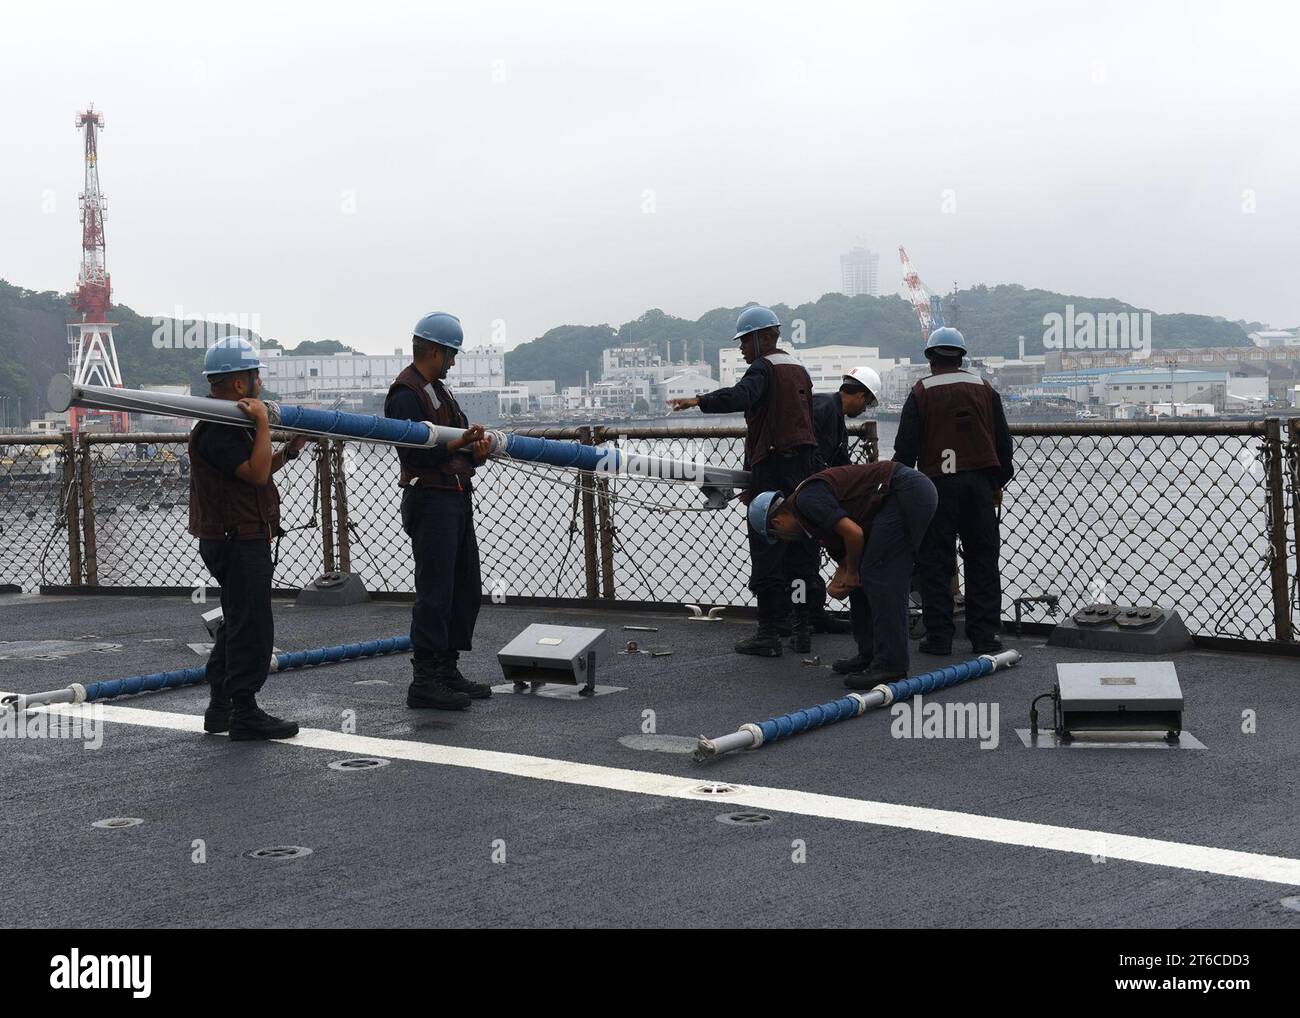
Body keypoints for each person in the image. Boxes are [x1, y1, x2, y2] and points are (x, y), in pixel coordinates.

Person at [669, 305, 819, 656]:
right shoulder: (799, 369)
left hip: (773, 466)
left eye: (745, 341)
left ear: (762, 337)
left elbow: (742, 396)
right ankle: (801, 627)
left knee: (766, 543)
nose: (741, 348)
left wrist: (699, 401)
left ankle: (769, 631)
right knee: (800, 546)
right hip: (804, 467)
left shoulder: (763, 368)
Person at [189, 336, 306, 741]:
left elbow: (254, 470)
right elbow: (257, 475)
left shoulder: (224, 424)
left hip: (235, 536)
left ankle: (221, 706)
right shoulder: (220, 427)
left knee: (237, 619)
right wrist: (262, 422)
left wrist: (288, 452)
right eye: (255, 375)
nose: (259, 383)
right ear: (240, 383)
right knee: (251, 624)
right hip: (237, 540)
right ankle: (245, 709)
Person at [385, 312, 493, 710]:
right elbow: (412, 449)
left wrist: (475, 450)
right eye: (450, 353)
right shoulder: (405, 393)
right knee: (434, 590)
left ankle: (447, 668)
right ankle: (425, 680)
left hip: (454, 495)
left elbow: (456, 441)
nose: (453, 361)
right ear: (433, 350)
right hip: (430, 499)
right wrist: (459, 445)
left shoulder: (438, 391)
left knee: (463, 586)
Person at [748, 461, 938, 687]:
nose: (784, 541)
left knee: (878, 575)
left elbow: (854, 534)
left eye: (777, 536)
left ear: (777, 521)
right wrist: (845, 577)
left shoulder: (806, 501)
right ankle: (869, 654)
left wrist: (850, 573)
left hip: (905, 491)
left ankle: (891, 665)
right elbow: (848, 559)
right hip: (896, 497)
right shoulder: (812, 524)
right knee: (862, 578)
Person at [892, 327, 1014, 655]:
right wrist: (998, 481)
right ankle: (985, 635)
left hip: (935, 487)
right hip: (979, 485)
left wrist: (898, 488)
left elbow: (905, 448)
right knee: (983, 560)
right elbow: (1003, 441)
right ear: (961, 356)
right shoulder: (984, 388)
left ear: (931, 357)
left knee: (935, 562)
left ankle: (940, 637)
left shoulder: (921, 391)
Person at [807, 366, 881, 634]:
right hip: (809, 491)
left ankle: (809, 613)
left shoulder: (832, 411)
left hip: (815, 490)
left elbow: (839, 461)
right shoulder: (825, 408)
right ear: (860, 396)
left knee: (809, 554)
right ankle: (806, 615)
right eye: (868, 402)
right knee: (804, 556)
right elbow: (809, 450)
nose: (865, 409)